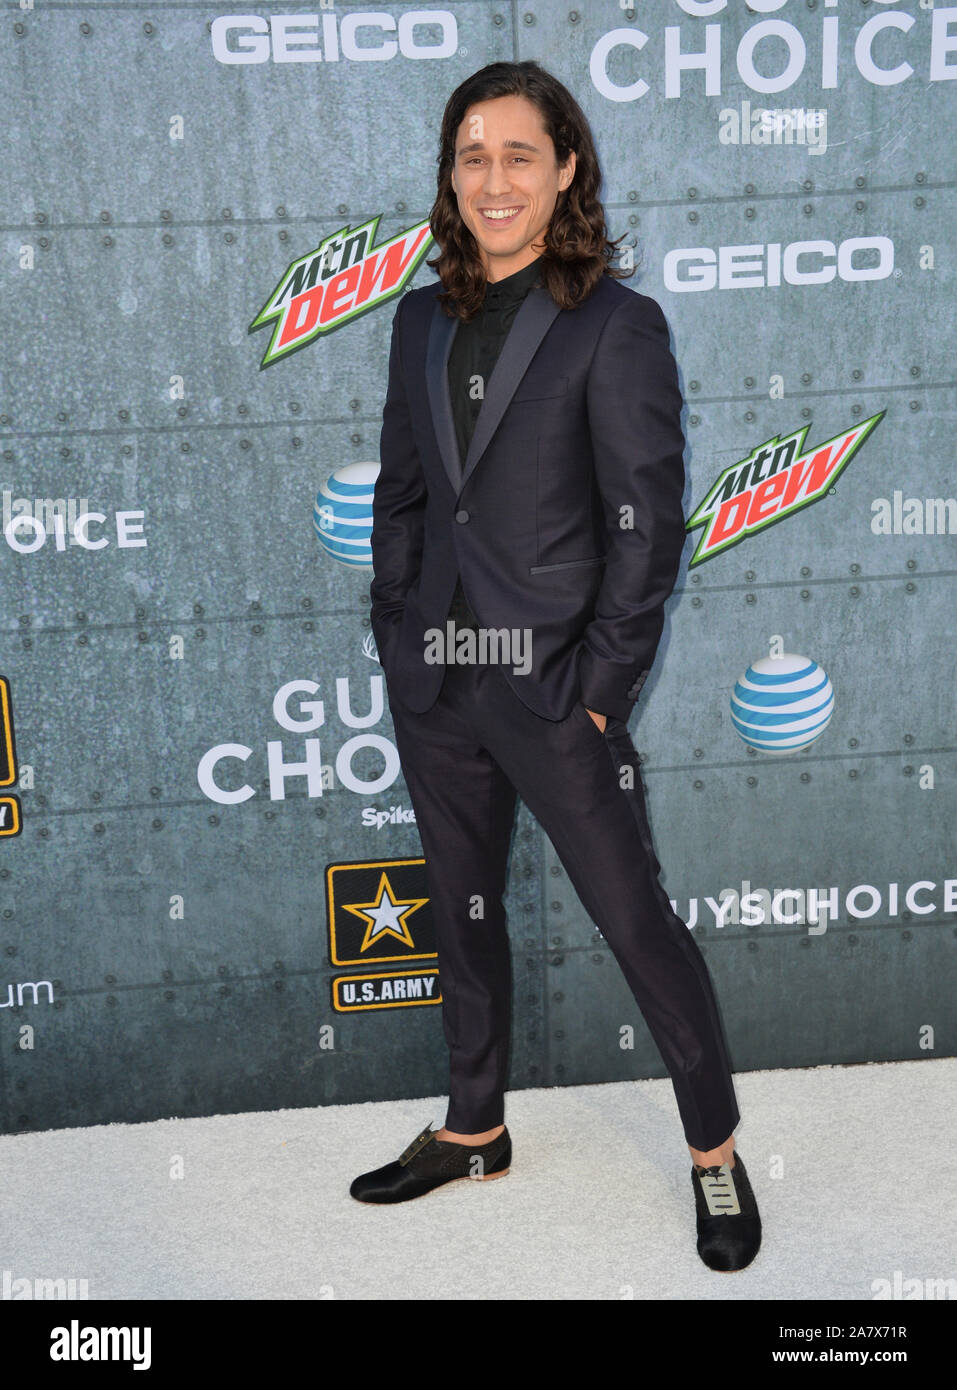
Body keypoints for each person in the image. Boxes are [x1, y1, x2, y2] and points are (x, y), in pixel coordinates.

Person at [356, 60, 760, 1272]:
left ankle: (714, 1153)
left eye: (519, 155)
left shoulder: (618, 326)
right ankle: (475, 1126)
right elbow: (406, 493)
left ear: (567, 168)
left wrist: (596, 698)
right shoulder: (421, 318)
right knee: (464, 918)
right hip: (441, 683)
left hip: (555, 692)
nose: (494, 181)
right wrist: (400, 630)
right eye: (471, 156)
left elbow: (648, 527)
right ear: (450, 173)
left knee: (636, 921)